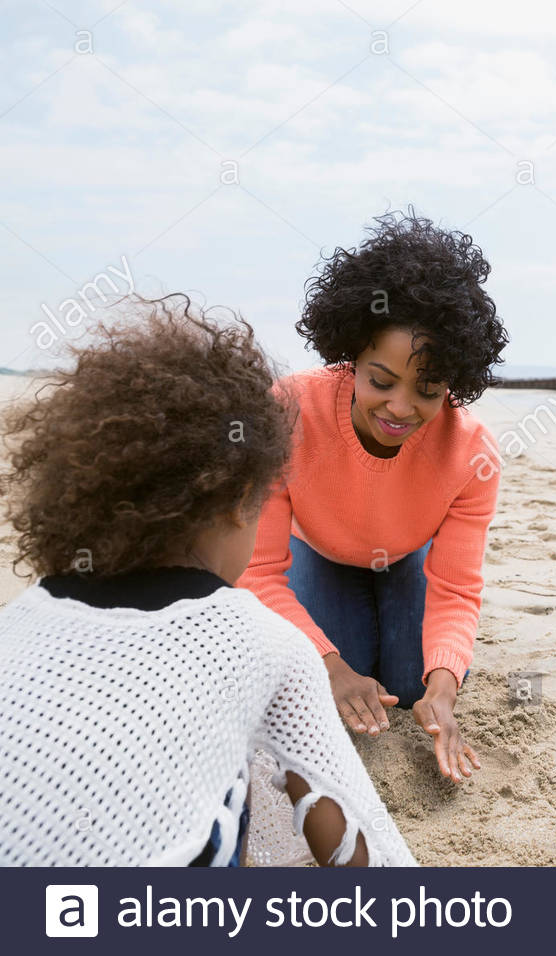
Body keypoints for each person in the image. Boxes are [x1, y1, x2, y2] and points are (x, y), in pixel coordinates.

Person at [0, 295, 416, 866]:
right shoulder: (265, 641)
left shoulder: (16, 621)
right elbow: (364, 857)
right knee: (266, 756)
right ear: (240, 500)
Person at [237, 209, 508, 784]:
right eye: (381, 381)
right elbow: (257, 573)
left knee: (411, 688)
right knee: (339, 680)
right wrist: (330, 666)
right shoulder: (288, 411)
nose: (401, 408)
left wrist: (444, 689)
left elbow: (457, 588)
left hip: (408, 558)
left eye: (428, 391)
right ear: (352, 355)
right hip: (319, 553)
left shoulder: (473, 453)